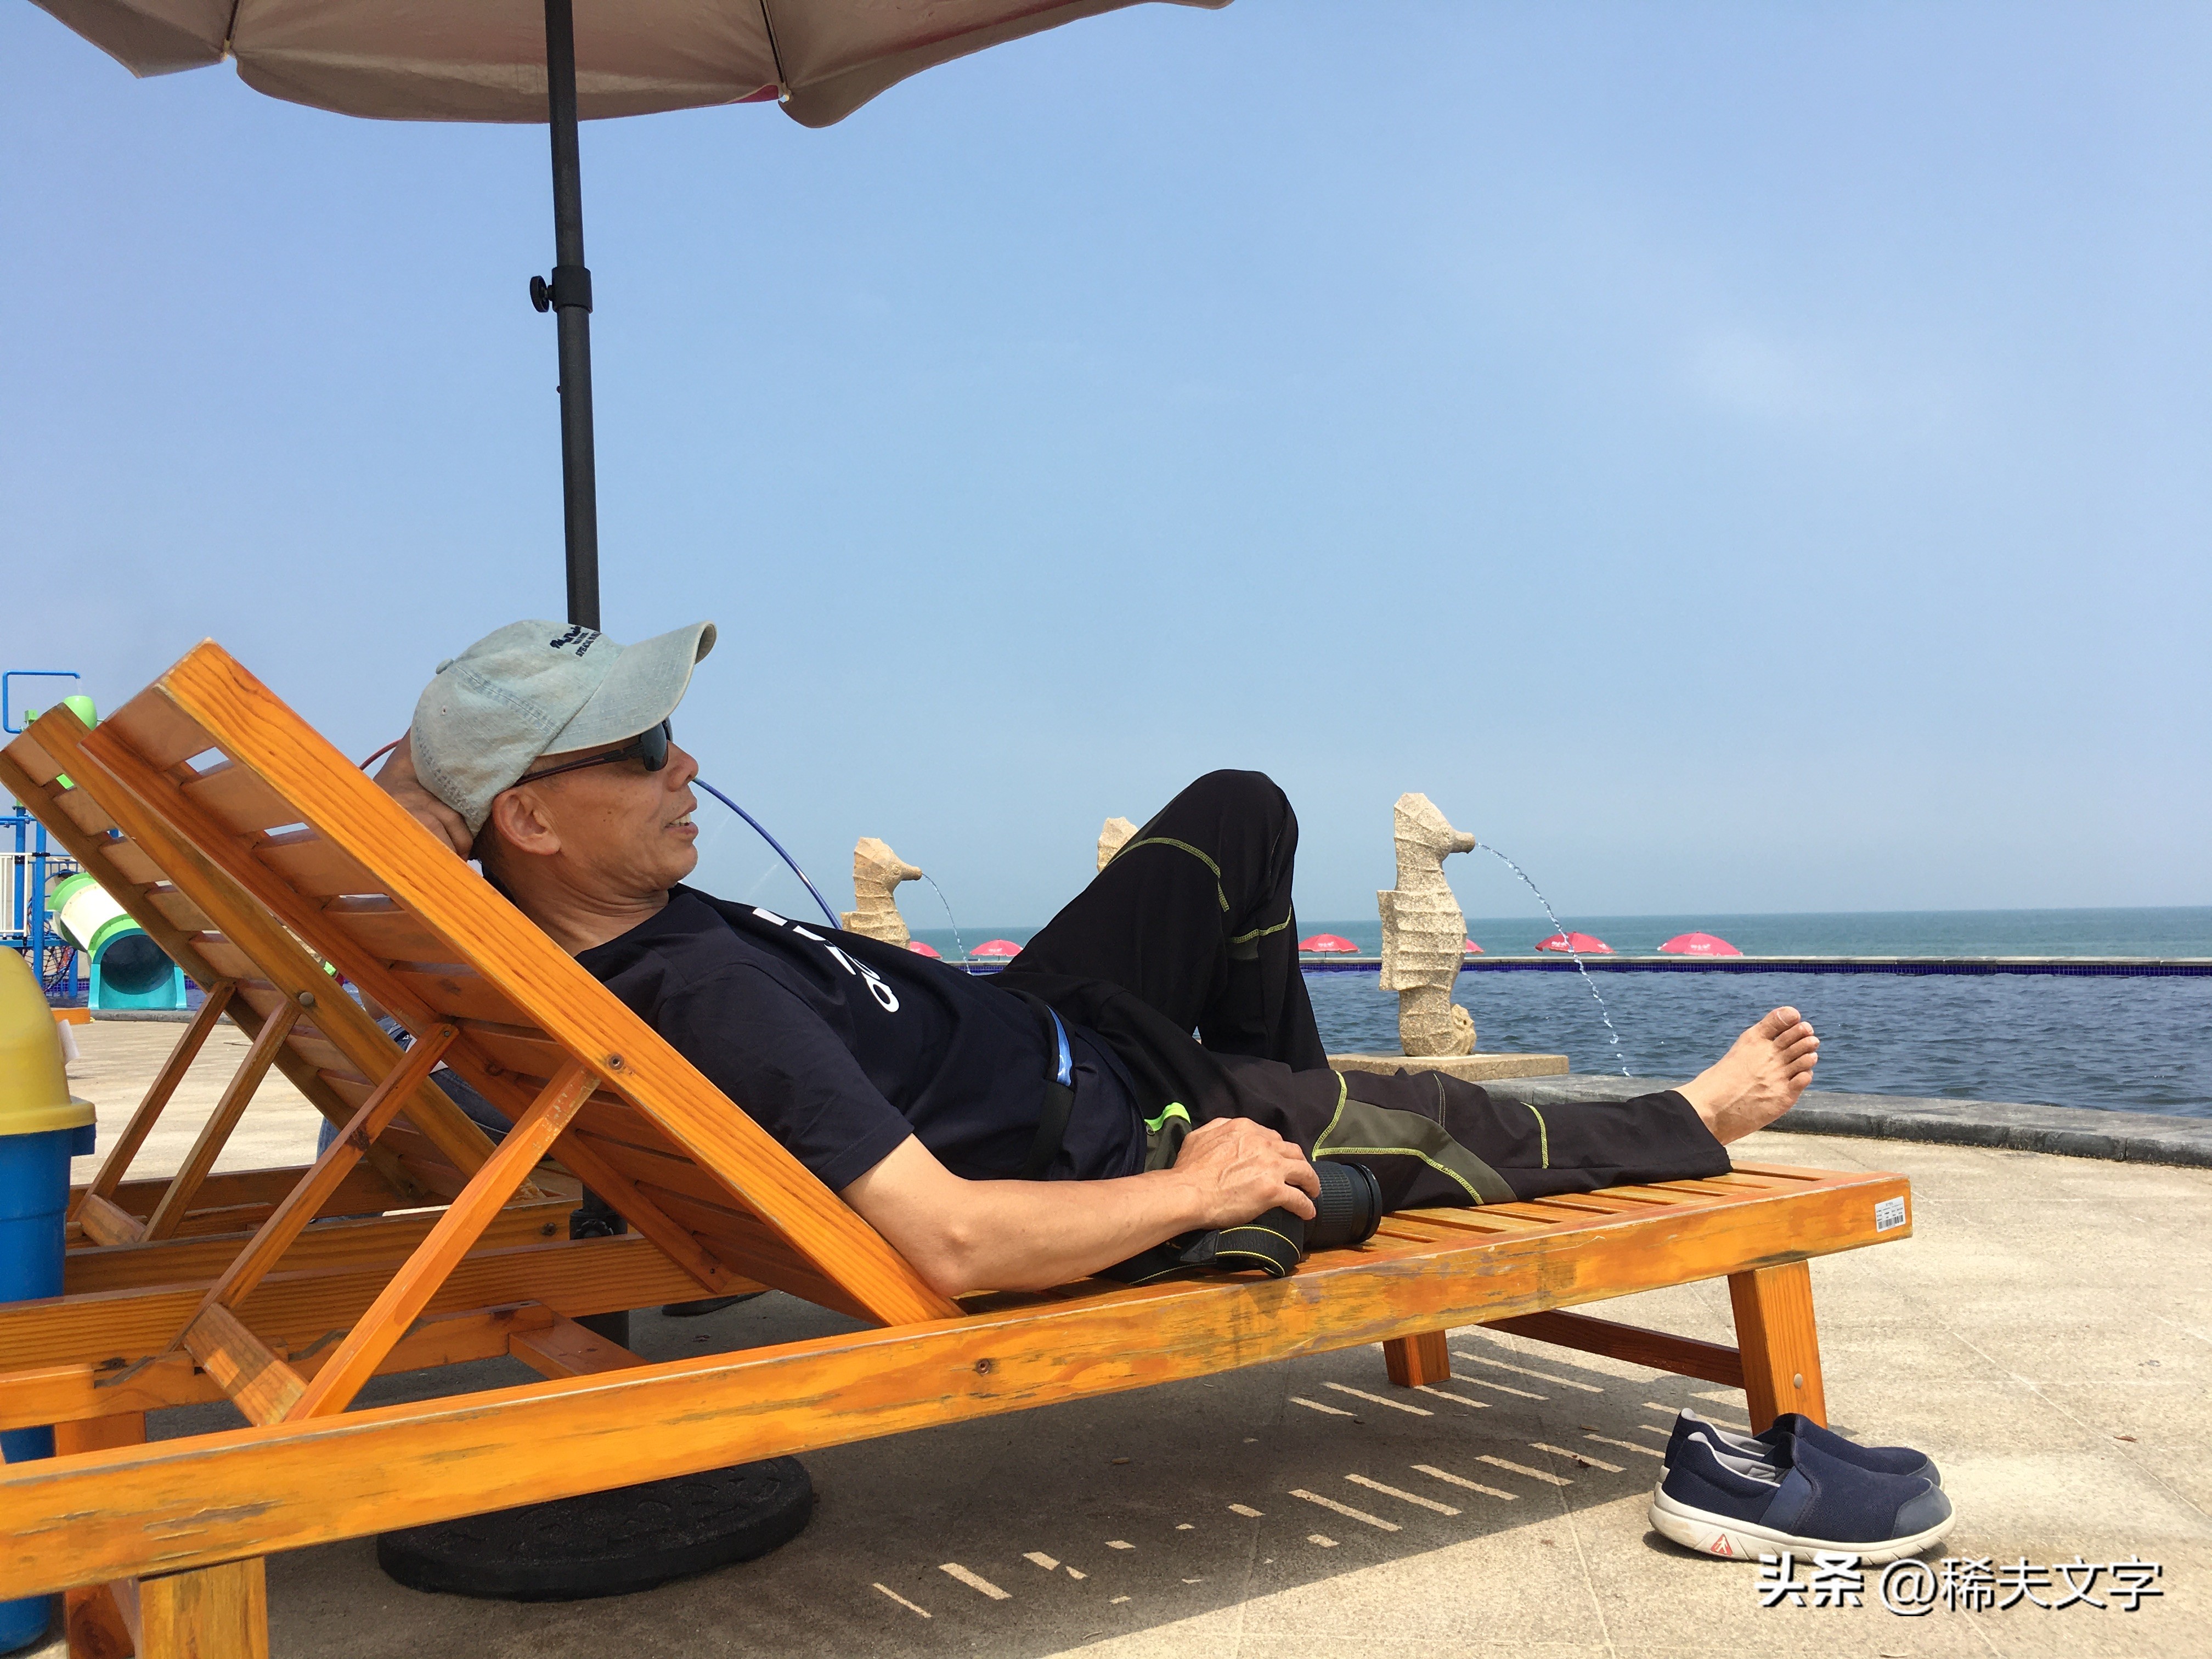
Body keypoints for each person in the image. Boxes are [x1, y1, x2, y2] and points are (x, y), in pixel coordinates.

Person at [378, 619, 1820, 1299]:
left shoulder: (553, 921)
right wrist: (1196, 1186)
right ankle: (1680, 1117)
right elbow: (949, 1240)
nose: (685, 762)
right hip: (1115, 1123)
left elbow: (399, 798)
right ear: (531, 820)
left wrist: (432, 802)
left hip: (1038, 1022)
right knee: (1447, 1118)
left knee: (1238, 812)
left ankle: (1286, 1106)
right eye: (640, 749)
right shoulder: (702, 1005)